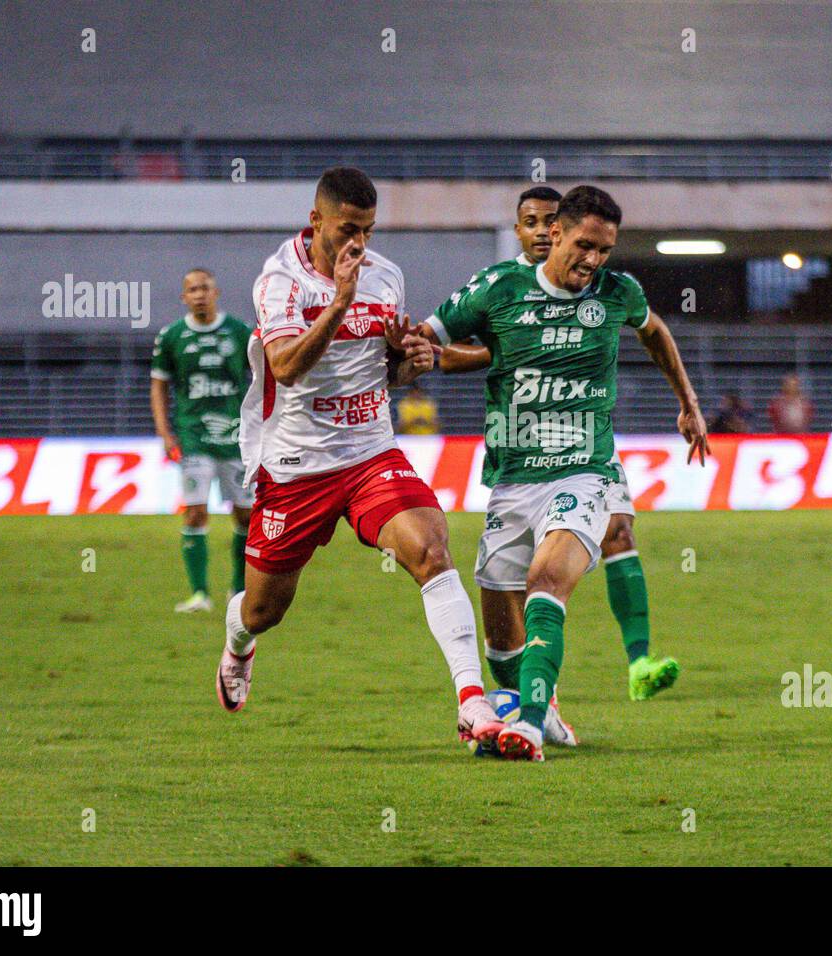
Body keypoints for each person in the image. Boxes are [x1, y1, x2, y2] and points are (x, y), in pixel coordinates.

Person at [416, 184, 709, 761]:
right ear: (556, 234)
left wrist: (689, 401)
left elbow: (655, 332)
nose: (594, 260)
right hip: (512, 476)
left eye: (605, 250)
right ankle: (539, 704)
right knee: (503, 647)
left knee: (547, 581)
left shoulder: (617, 293)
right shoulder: (497, 289)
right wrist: (406, 353)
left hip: (584, 472)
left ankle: (524, 725)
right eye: (584, 245)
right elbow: (428, 343)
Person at [216, 166, 505, 749]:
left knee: (431, 547)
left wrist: (409, 360)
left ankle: (471, 702)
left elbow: (386, 371)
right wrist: (341, 301)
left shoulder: (386, 277)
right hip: (296, 466)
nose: (359, 245)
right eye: (348, 230)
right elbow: (288, 368)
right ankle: (237, 643)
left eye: (369, 231)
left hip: (370, 452)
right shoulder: (280, 281)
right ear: (315, 220)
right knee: (264, 612)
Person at [150, 269, 253, 612]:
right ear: (184, 297)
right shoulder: (172, 336)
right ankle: (199, 594)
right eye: (192, 290)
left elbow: (267, 377)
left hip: (236, 437)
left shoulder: (240, 333)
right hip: (194, 438)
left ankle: (237, 591)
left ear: (216, 292)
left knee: (246, 515)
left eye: (204, 288)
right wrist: (165, 432)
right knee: (194, 513)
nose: (198, 294)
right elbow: (159, 386)